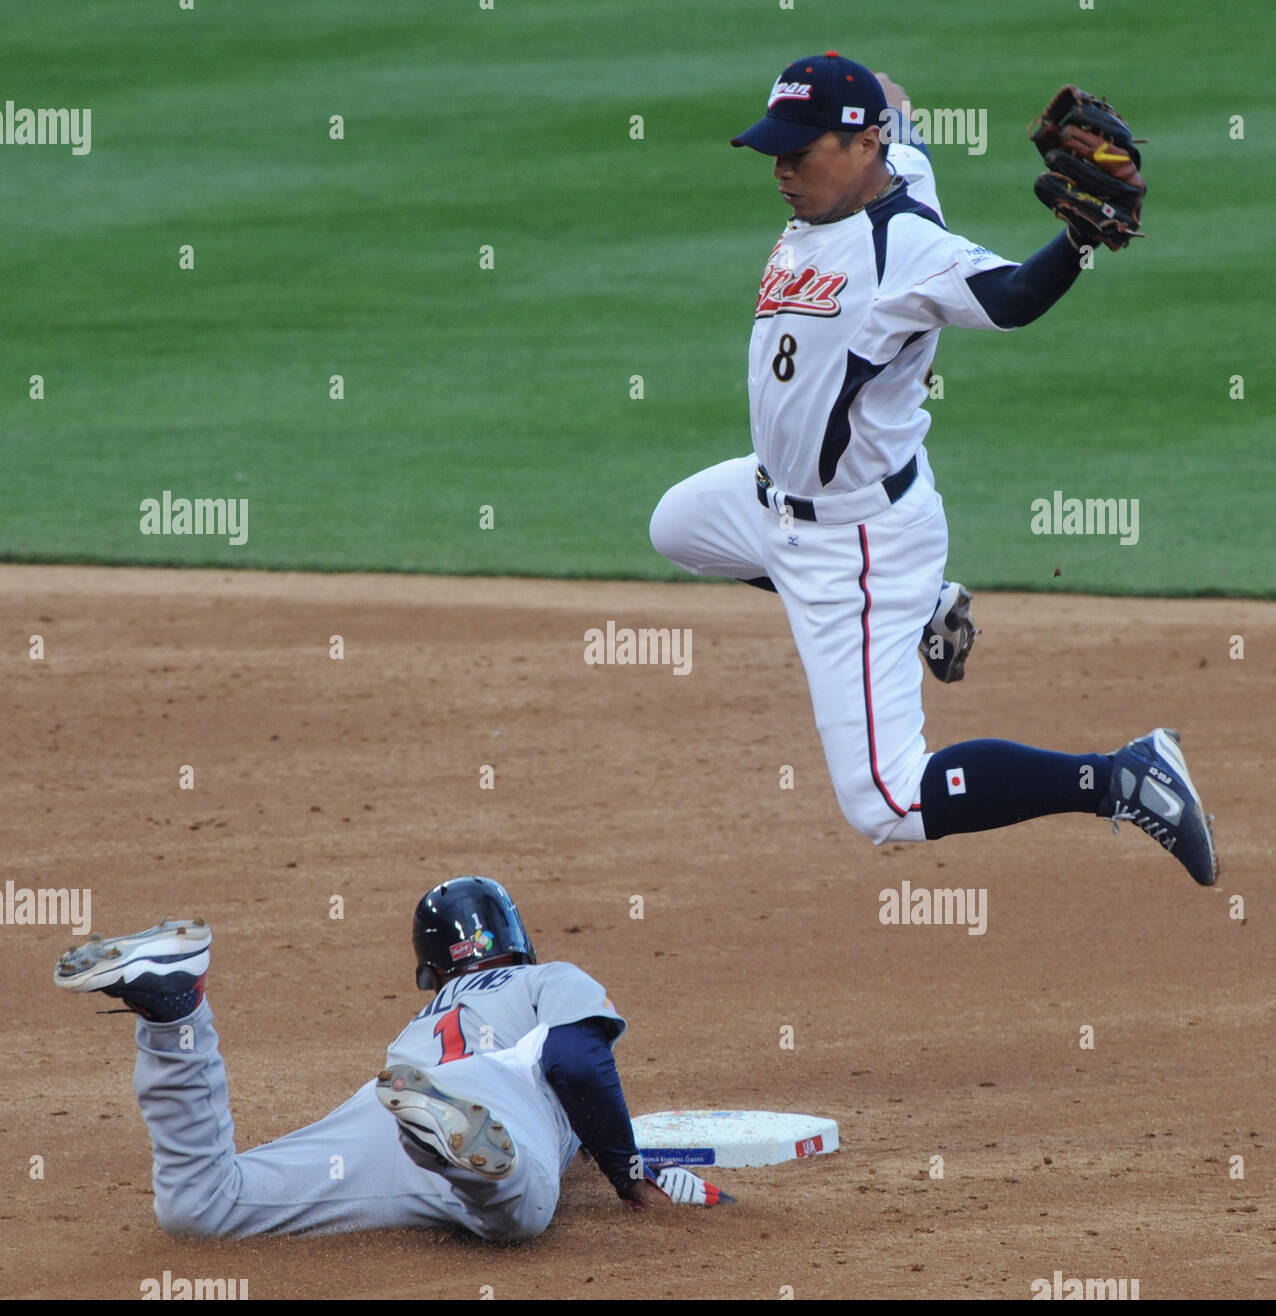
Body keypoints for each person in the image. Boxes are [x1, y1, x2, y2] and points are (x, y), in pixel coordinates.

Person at [648, 53, 1216, 886]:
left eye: (799, 153)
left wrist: (1075, 240)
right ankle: (922, 611)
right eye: (776, 150)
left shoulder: (905, 250)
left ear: (860, 146)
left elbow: (1014, 298)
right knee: (674, 526)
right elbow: (897, 106)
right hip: (764, 501)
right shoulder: (893, 160)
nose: (781, 171)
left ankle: (1123, 776)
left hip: (858, 538)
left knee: (886, 802)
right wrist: (864, 87)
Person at [52, 877, 732, 1241]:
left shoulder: (427, 1016)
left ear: (431, 970)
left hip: (384, 1108)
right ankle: (465, 1155)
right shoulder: (546, 977)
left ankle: (176, 1012)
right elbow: (579, 1065)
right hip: (497, 1100)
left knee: (204, 1206)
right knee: (522, 1213)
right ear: (520, 941)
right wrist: (631, 1175)